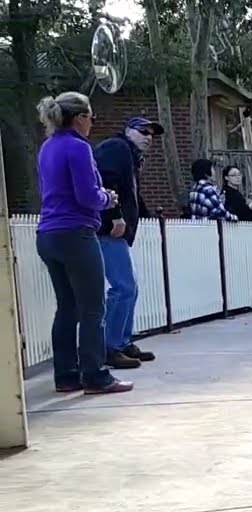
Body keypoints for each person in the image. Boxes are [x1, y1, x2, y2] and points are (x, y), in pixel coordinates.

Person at [33, 92, 132, 394]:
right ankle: (95, 375)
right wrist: (108, 198)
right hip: (76, 234)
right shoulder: (78, 147)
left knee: (67, 308)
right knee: (92, 308)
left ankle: (66, 375)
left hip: (47, 234)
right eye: (91, 117)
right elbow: (87, 195)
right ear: (79, 118)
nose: (92, 123)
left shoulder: (47, 147)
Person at [94, 116, 164, 369]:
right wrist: (116, 216)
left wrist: (142, 212)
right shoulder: (118, 147)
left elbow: (129, 191)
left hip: (115, 230)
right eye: (143, 131)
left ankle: (122, 342)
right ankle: (110, 347)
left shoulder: (131, 155)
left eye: (151, 134)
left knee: (129, 288)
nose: (148, 137)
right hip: (108, 229)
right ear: (128, 131)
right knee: (123, 287)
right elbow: (105, 182)